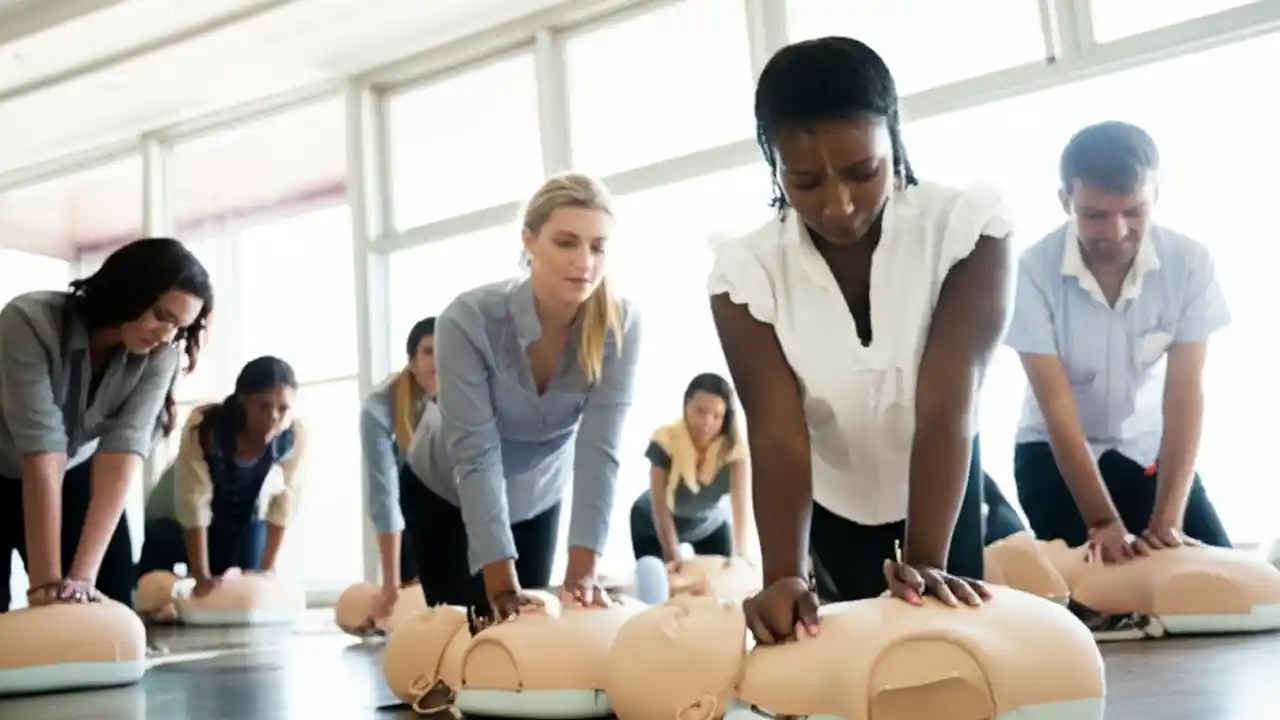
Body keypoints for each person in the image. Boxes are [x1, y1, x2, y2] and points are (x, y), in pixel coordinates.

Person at [707, 36, 1014, 644]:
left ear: (893, 137)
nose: (839, 206)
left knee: (948, 652)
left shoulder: (967, 231)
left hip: (943, 480)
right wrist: (782, 575)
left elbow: (948, 399)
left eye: (862, 172)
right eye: (804, 181)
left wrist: (925, 563)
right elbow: (777, 433)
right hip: (827, 499)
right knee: (851, 663)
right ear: (774, 165)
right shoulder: (746, 275)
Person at [402, 171, 642, 625]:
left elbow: (600, 450)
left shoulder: (621, 325)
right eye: (566, 242)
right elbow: (475, 453)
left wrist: (583, 571)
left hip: (535, 495)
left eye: (598, 247)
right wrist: (500, 583)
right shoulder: (468, 319)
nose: (584, 262)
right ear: (529, 239)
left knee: (528, 636)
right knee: (462, 633)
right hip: (444, 488)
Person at [1004, 120, 1232, 563]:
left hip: (1144, 450)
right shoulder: (1034, 270)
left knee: (1217, 575)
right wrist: (1102, 521)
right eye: (1095, 215)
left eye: (1133, 211)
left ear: (1155, 196)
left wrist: (1168, 521)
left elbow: (1184, 394)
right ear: (1065, 202)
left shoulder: (1189, 264)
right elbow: (1055, 403)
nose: (1117, 231)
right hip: (1052, 455)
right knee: (1102, 585)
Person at [0, 237, 212, 610]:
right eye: (161, 315)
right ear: (130, 290)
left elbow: (121, 457)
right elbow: (41, 451)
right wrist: (46, 584)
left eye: (179, 327)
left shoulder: (160, 356)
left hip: (72, 470)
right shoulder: (29, 320)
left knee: (111, 591)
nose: (166, 335)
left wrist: (81, 580)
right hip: (19, 462)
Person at [137, 356, 307, 597]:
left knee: (247, 587)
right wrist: (201, 576)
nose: (273, 417)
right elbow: (193, 501)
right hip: (172, 519)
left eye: (283, 408)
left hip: (237, 522)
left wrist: (267, 570)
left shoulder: (293, 437)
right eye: (263, 405)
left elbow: (285, 503)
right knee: (151, 591)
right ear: (243, 401)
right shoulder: (205, 427)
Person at [629, 372, 751, 564]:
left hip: (709, 525)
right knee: (658, 577)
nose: (706, 422)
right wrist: (672, 554)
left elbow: (740, 504)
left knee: (726, 576)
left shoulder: (735, 452)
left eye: (716, 416)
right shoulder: (664, 440)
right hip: (652, 522)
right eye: (700, 411)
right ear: (686, 404)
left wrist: (740, 556)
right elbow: (659, 506)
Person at [359, 317, 437, 617]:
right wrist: (391, 583)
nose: (437, 361)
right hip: (410, 507)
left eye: (446, 352)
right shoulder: (378, 409)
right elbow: (385, 496)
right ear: (412, 362)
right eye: (428, 351)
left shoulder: (468, 397)